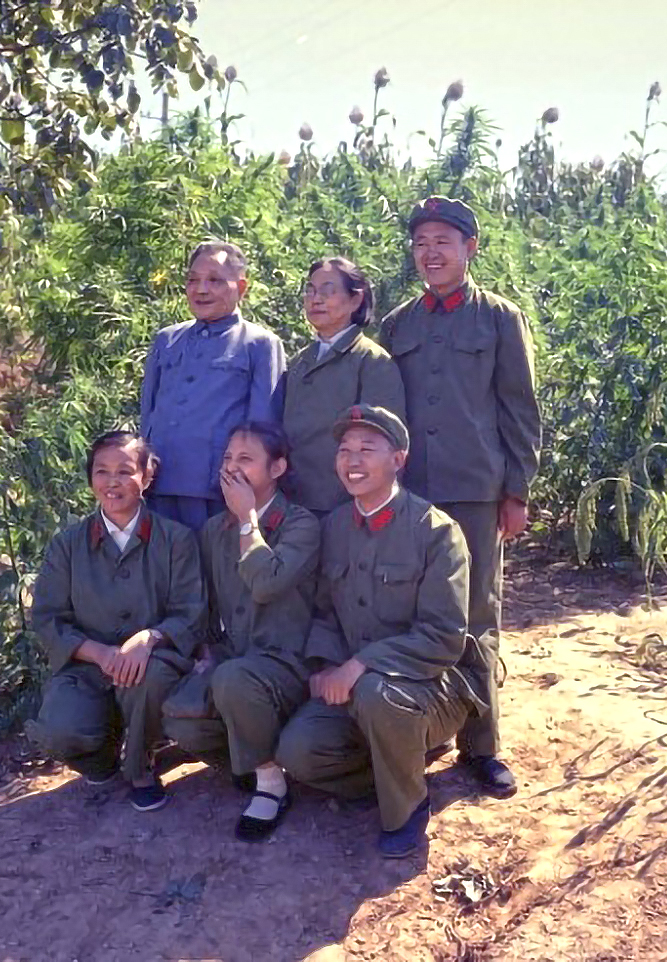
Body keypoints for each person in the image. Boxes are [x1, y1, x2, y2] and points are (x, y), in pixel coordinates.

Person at [378, 196, 542, 799]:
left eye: (444, 240)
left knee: (476, 615)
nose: (431, 252)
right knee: (416, 614)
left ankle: (482, 746)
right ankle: (430, 726)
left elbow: (519, 410)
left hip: (475, 493)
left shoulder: (499, 319)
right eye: (421, 242)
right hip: (412, 496)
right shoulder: (397, 326)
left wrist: (517, 490)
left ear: (470, 249)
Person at [276, 405, 481, 858]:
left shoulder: (436, 532)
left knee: (376, 693)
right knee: (298, 751)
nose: (353, 460)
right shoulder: (334, 527)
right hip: (356, 690)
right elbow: (325, 613)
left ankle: (407, 809)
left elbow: (444, 636)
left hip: (431, 690)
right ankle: (395, 765)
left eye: (367, 449)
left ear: (399, 460)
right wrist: (327, 667)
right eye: (345, 450)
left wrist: (360, 664)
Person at [28, 431, 206, 812]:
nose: (113, 482)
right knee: (59, 731)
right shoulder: (68, 543)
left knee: (151, 677)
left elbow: (191, 611)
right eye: (102, 471)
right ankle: (102, 758)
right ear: (90, 477)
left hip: (153, 662)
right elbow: (46, 616)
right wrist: (98, 653)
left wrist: (150, 638)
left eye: (125, 471)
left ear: (147, 476)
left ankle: (141, 766)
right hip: (88, 665)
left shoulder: (176, 540)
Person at [162, 422, 320, 841]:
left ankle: (271, 782)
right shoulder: (215, 530)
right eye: (228, 458)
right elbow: (208, 606)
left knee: (232, 679)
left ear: (279, 467)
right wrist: (205, 653)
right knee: (182, 718)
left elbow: (266, 583)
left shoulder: (301, 525)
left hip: (289, 664)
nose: (232, 468)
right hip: (237, 659)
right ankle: (250, 761)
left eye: (246, 460)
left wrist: (249, 518)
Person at [140, 239, 286, 532]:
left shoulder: (259, 344)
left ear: (241, 288)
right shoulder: (167, 339)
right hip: (159, 486)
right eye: (193, 280)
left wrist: (245, 490)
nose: (201, 289)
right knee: (161, 574)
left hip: (217, 493)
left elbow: (262, 428)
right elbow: (148, 413)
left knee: (212, 575)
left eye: (215, 281)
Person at [282, 257, 405, 516]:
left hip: (343, 508)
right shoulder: (298, 362)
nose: (316, 299)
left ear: (355, 300)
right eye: (310, 290)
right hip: (293, 506)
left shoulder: (372, 361)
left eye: (328, 290)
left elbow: (383, 447)